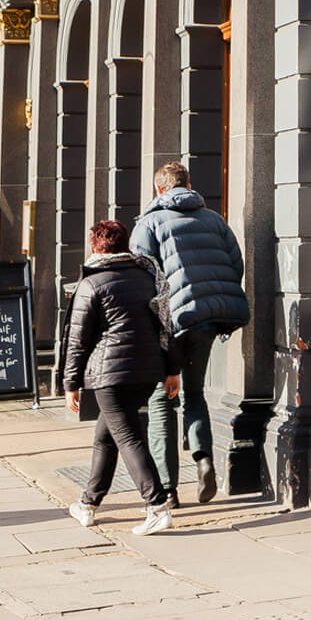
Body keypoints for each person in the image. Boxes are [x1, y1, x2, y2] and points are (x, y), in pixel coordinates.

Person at [132, 161, 247, 507]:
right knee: (194, 393)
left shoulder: (149, 222)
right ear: (188, 184)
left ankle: (167, 489)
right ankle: (204, 461)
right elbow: (235, 264)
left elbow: (142, 278)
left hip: (171, 325)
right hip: (208, 320)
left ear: (159, 189)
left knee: (161, 398)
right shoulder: (214, 220)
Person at [63, 219, 175, 536]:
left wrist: (71, 383)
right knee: (106, 436)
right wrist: (171, 369)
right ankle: (88, 504)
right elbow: (165, 326)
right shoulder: (147, 276)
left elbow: (78, 340)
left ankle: (157, 506)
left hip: (109, 375)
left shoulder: (91, 284)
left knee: (127, 437)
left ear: (95, 245)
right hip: (147, 370)